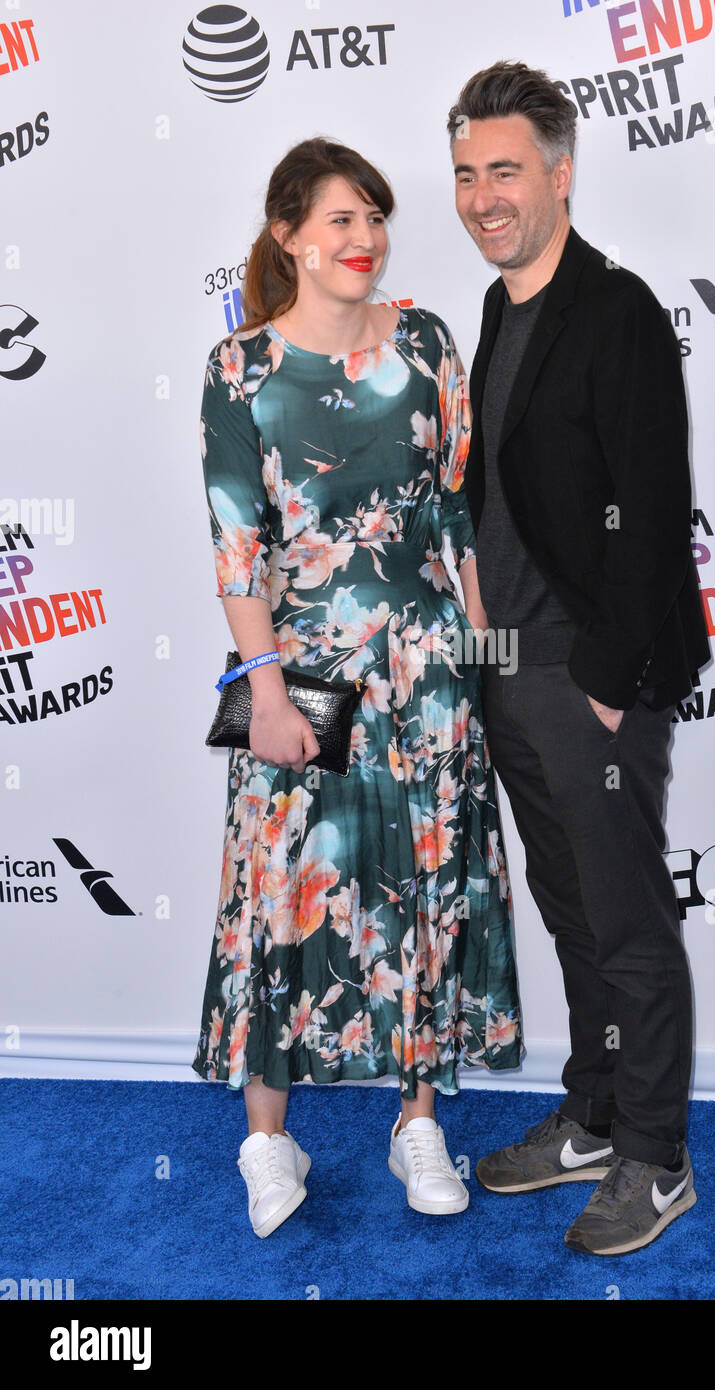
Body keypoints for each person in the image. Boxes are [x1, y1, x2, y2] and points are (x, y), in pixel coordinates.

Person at [192, 136, 522, 1237]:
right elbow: (239, 550)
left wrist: (483, 665)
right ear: (288, 234)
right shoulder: (239, 368)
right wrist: (267, 690)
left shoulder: (427, 341)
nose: (362, 240)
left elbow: (457, 515)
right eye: (337, 219)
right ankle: (266, 1141)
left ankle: (417, 1121)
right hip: (303, 680)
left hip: (429, 676)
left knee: (425, 894)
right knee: (285, 897)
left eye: (372, 218)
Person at [446, 62, 711, 1256]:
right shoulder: (497, 310)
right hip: (509, 670)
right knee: (567, 916)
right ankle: (596, 1113)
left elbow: (654, 515)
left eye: (503, 170)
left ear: (559, 173)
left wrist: (606, 681)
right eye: (464, 174)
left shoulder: (618, 311)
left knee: (625, 921)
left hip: (588, 680)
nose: (481, 196)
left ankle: (654, 1156)